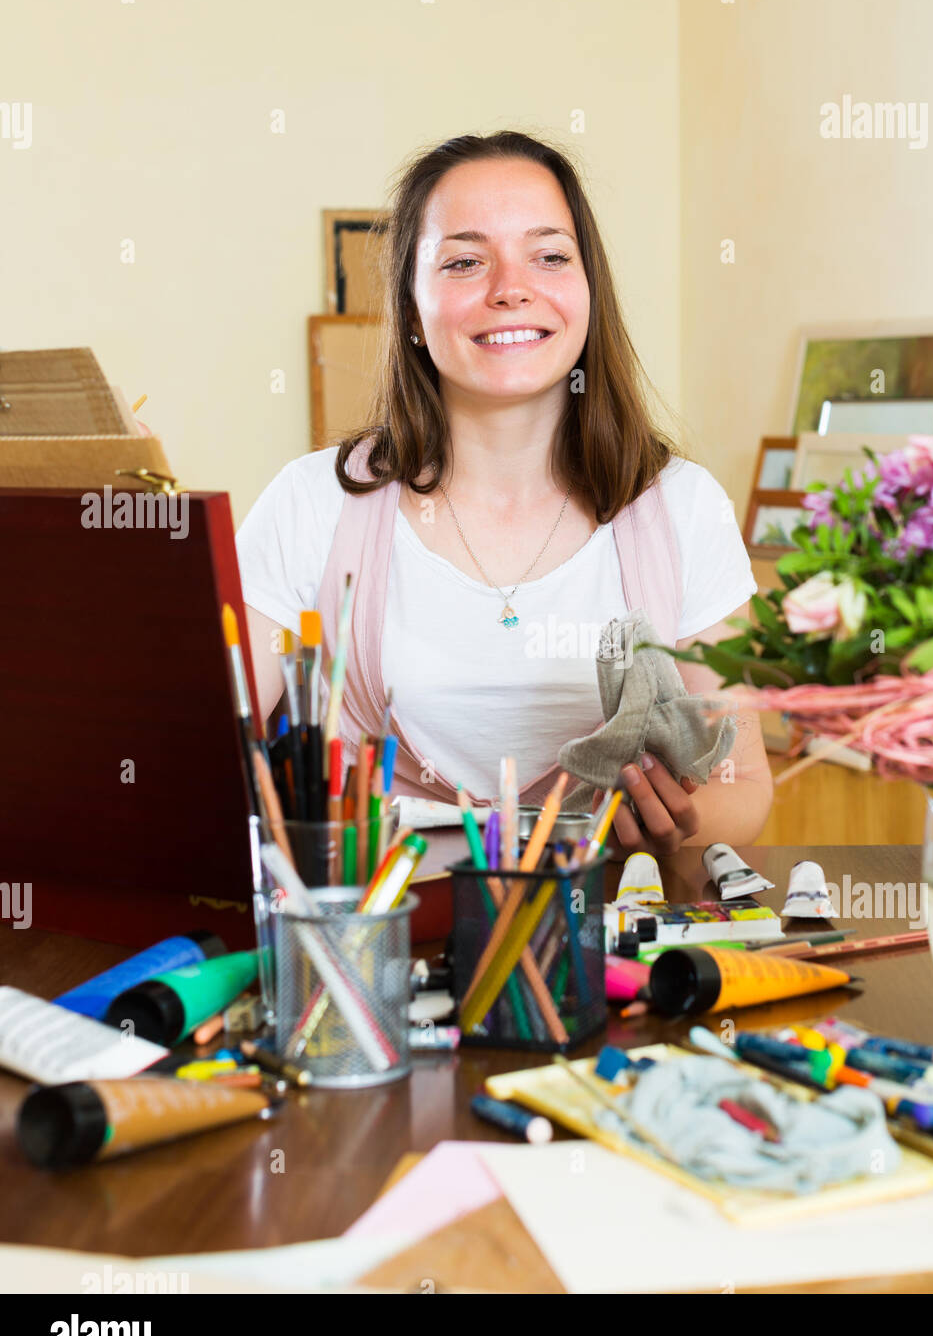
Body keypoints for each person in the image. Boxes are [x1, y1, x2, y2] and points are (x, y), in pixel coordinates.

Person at [237, 130, 772, 855]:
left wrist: (679, 827)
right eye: (463, 261)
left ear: (588, 291)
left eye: (549, 255)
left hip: (608, 939)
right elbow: (200, 753)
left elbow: (739, 782)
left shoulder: (683, 506)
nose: (510, 288)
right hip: (385, 937)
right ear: (411, 309)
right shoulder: (309, 503)